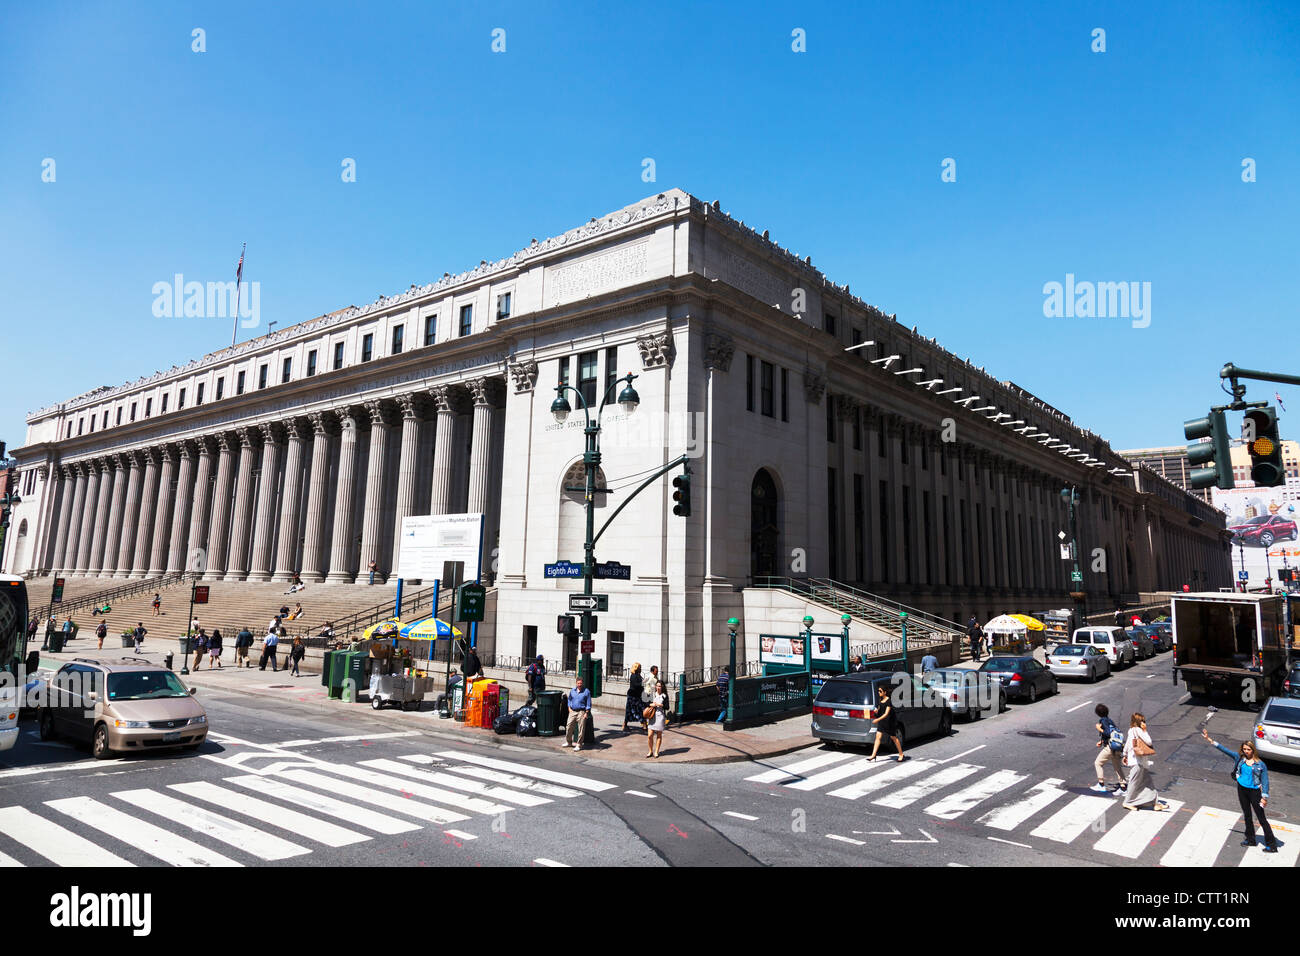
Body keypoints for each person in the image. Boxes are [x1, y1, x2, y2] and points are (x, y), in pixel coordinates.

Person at [1202, 728, 1278, 851]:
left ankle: (1272, 845)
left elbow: (1265, 781)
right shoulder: (1240, 758)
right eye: (1244, 749)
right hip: (1242, 789)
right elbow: (1224, 750)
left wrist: (1264, 797)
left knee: (1261, 818)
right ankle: (1251, 840)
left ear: (1253, 750)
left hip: (1255, 792)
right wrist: (1209, 739)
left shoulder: (1260, 764)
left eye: (1248, 749)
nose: (1246, 751)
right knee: (1247, 815)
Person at [1122, 712, 1170, 811]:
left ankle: (1155, 803)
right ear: (1139, 721)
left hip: (1137, 760)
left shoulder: (1131, 730)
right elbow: (1149, 741)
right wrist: (1145, 730)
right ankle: (1127, 802)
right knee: (1134, 782)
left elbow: (1127, 744)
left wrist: (1125, 754)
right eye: (1142, 720)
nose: (1144, 722)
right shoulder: (1139, 730)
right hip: (1138, 761)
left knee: (1148, 783)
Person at [1091, 703, 1126, 794]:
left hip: (1110, 748)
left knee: (1098, 763)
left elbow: (1107, 733)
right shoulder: (1110, 721)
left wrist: (1099, 729)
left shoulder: (1103, 721)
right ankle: (1123, 787)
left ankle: (1101, 785)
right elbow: (1112, 733)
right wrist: (1102, 741)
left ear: (1097, 713)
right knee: (1117, 767)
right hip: (1117, 747)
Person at [868, 683, 905, 762]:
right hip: (882, 722)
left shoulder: (889, 701)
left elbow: (886, 714)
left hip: (889, 722)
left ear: (885, 692)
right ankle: (873, 755)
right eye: (878, 691)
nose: (879, 692)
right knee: (878, 738)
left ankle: (901, 754)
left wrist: (877, 720)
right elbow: (879, 712)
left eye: (880, 691)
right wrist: (876, 712)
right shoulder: (880, 700)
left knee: (894, 738)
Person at [564, 677, 592, 752]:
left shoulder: (586, 691)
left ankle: (579, 744)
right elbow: (569, 699)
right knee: (568, 726)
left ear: (582, 683)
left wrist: (586, 712)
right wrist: (569, 708)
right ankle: (569, 742)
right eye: (578, 683)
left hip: (581, 711)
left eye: (580, 683)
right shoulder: (572, 691)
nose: (579, 685)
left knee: (581, 729)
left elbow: (588, 703)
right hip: (573, 711)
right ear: (576, 683)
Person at [646, 680, 669, 758]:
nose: (658, 688)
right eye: (657, 686)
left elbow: (667, 707)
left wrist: (660, 705)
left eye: (659, 686)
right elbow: (646, 703)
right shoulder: (652, 694)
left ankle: (656, 751)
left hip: (660, 716)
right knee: (650, 735)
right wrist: (651, 704)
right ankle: (650, 751)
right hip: (652, 716)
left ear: (662, 687)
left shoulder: (664, 696)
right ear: (655, 686)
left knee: (659, 735)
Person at [623, 662, 645, 732]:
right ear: (636, 668)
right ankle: (625, 724)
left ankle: (644, 724)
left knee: (640, 710)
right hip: (633, 696)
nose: (640, 669)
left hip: (637, 695)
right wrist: (643, 683)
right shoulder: (633, 676)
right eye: (639, 668)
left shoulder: (638, 675)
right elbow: (635, 685)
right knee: (632, 710)